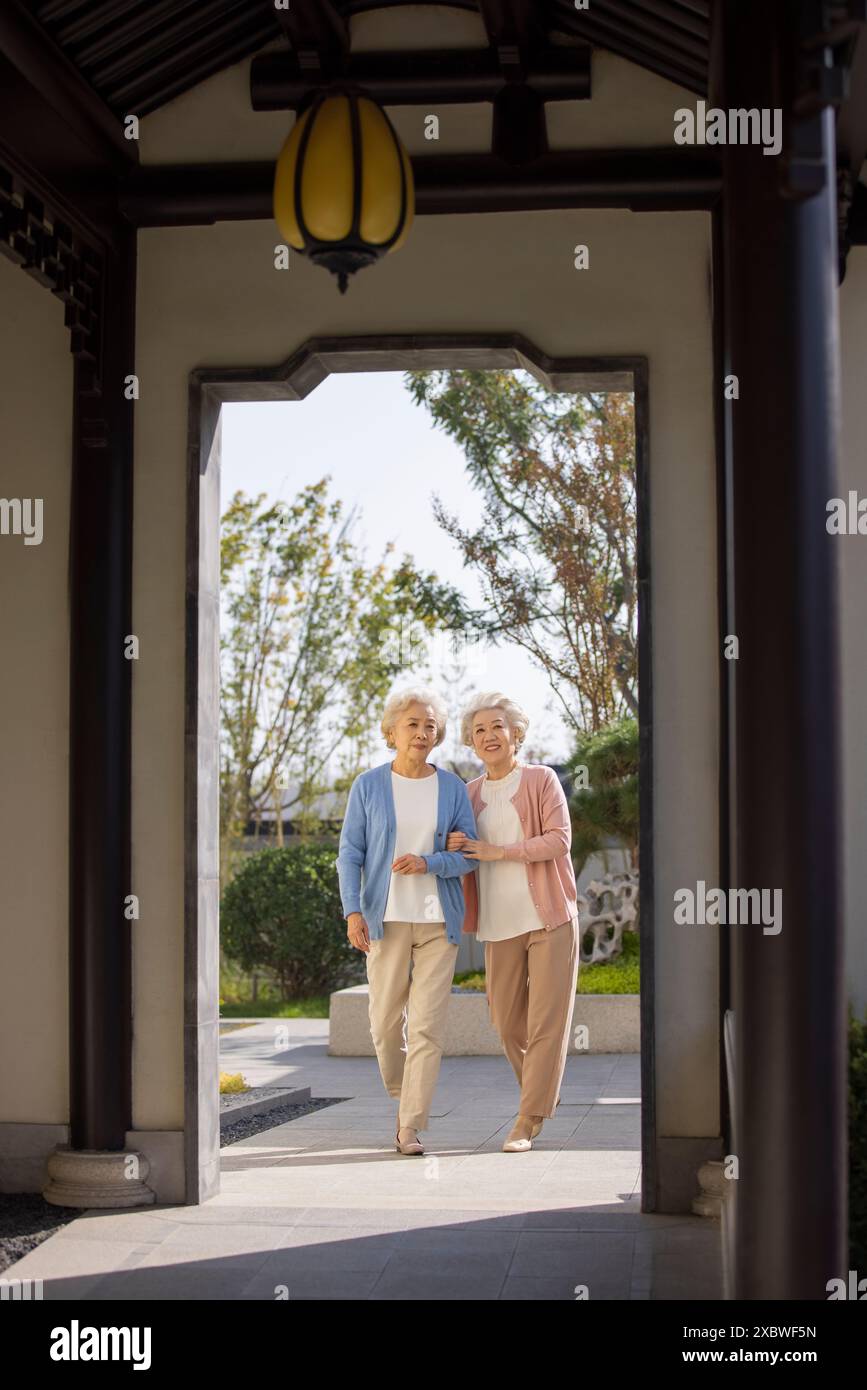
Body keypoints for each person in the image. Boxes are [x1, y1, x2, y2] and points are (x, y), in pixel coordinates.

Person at [337, 687, 477, 1156]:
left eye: (430, 726)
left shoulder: (453, 788)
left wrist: (429, 863)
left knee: (426, 1027)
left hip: (440, 923)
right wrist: (353, 911)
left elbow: (468, 858)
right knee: (382, 1024)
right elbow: (349, 855)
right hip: (385, 921)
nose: (422, 732)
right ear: (392, 730)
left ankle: (410, 1125)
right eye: (413, 724)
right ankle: (405, 1098)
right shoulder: (369, 786)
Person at [448, 692, 580, 1152]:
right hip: (498, 922)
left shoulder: (542, 780)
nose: (489, 736)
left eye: (497, 727)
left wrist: (499, 852)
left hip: (550, 919)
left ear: (515, 734)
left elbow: (558, 842)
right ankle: (540, 1094)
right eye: (480, 730)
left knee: (546, 1022)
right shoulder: (467, 794)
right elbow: (457, 852)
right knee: (506, 1022)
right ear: (471, 741)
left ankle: (526, 1118)